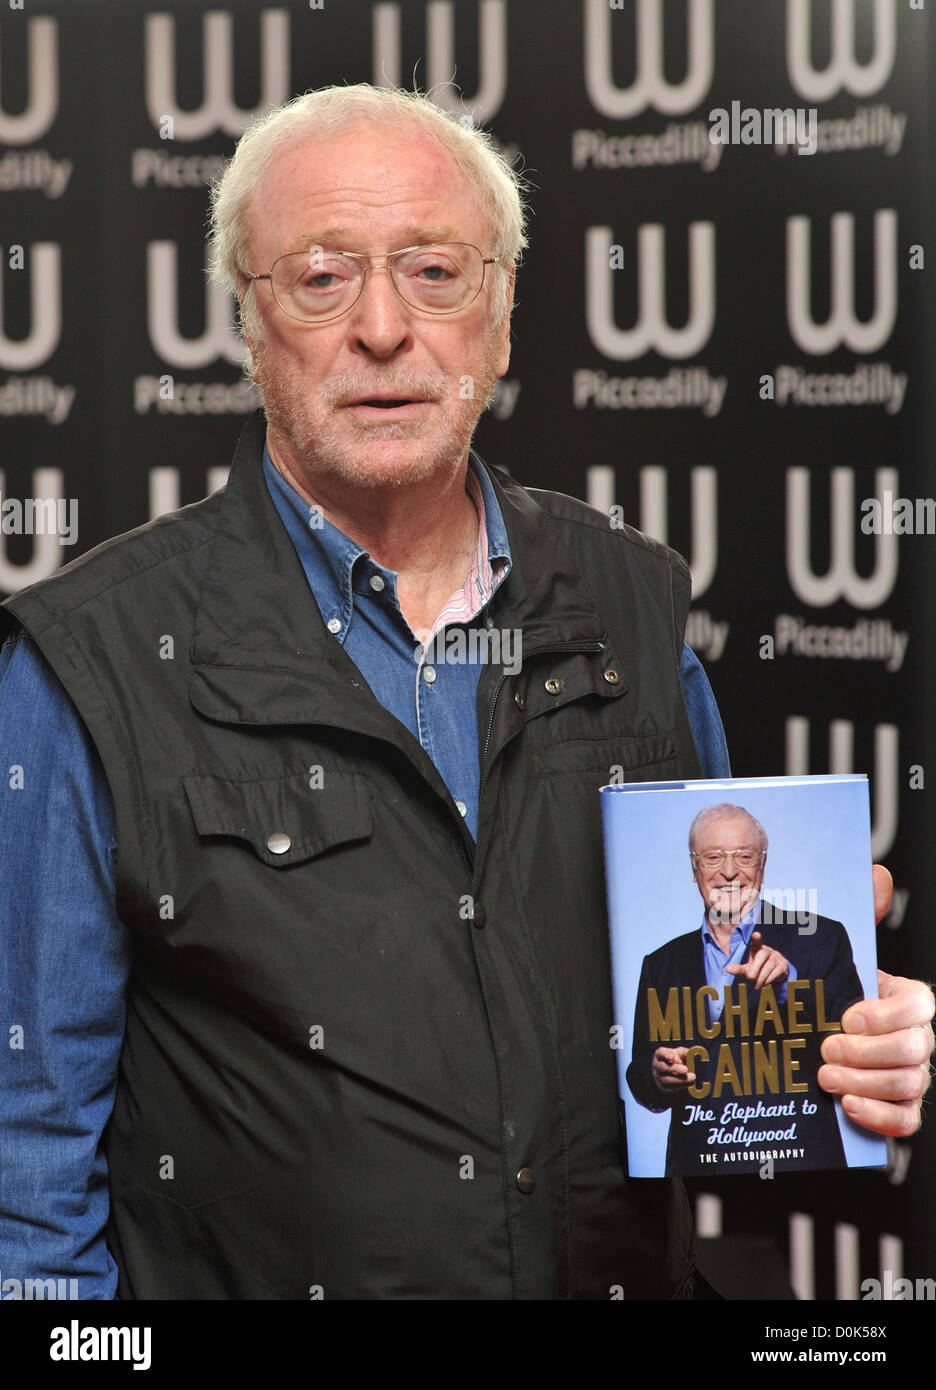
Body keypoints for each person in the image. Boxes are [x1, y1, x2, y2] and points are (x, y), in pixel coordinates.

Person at [0, 84, 932, 1301]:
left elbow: (716, 1088)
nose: (384, 327)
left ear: (498, 318)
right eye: (322, 276)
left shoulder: (633, 603)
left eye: (436, 272)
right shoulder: (92, 657)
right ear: (248, 320)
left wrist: (841, 1040)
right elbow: (28, 1176)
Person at [626, 803, 866, 1176]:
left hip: (801, 1169)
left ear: (763, 865)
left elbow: (853, 1050)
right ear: (694, 869)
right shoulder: (660, 963)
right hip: (697, 1175)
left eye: (744, 856)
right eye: (713, 857)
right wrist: (657, 1076)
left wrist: (789, 987)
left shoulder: (820, 937)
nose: (729, 871)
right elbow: (639, 1070)